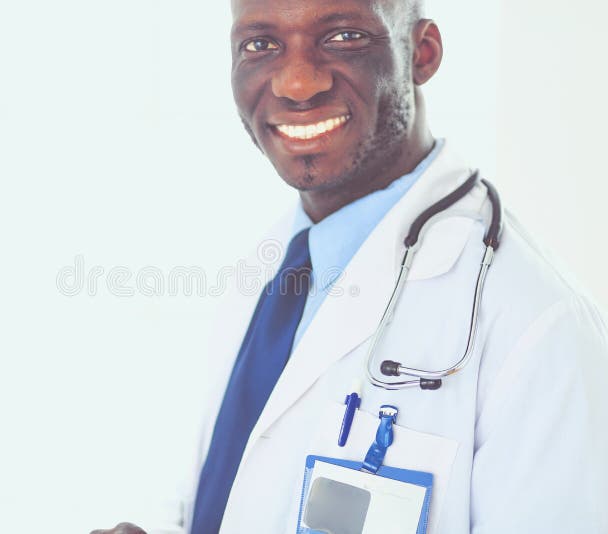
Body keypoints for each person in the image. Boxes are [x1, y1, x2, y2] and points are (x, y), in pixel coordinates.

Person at [92, 0, 608, 532]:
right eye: (260, 44)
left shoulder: (537, 325)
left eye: (343, 37)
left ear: (422, 53)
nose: (296, 83)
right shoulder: (273, 265)